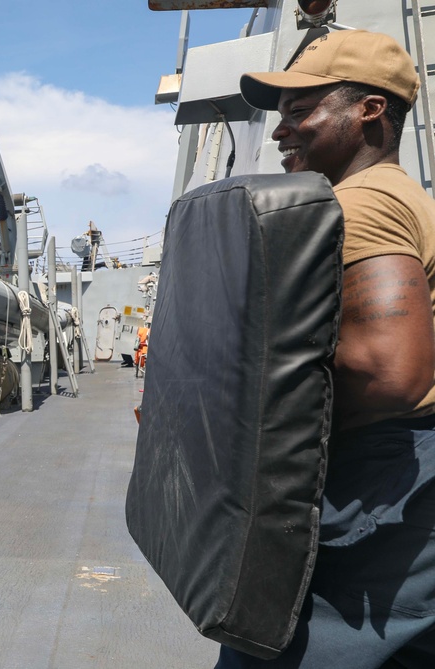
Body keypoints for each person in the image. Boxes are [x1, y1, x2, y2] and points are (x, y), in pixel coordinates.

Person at [213, 30, 435, 667]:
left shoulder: (358, 203)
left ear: (369, 110)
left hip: (371, 479)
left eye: (301, 111)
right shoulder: (401, 192)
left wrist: (229, 407)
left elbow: (389, 373)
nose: (281, 131)